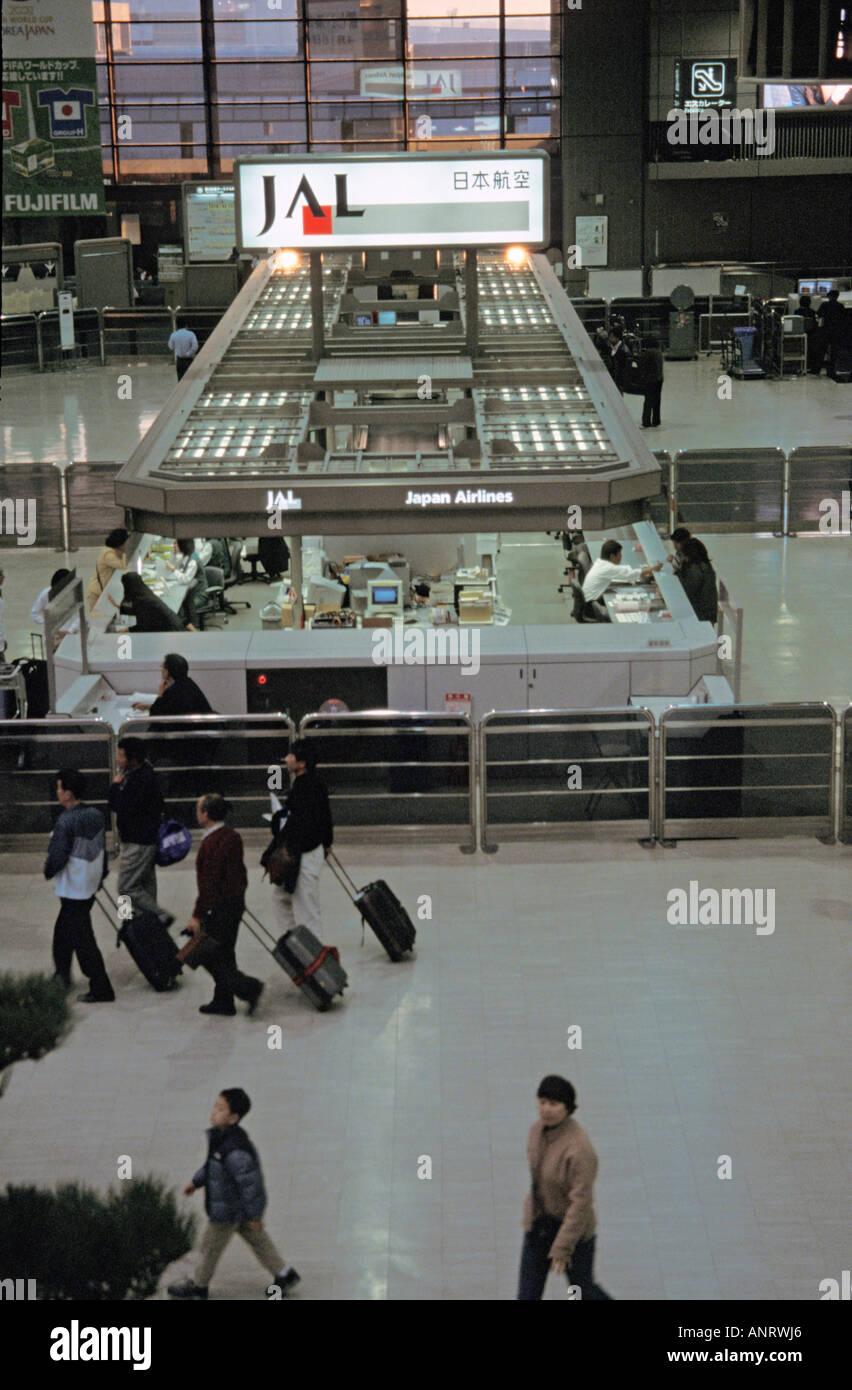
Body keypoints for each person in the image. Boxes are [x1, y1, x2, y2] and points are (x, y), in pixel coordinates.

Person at [168, 1088, 300, 1301]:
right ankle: (284, 1274)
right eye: (215, 1106)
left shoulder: (235, 1150)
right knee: (258, 1241)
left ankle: (198, 1287)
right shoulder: (221, 1139)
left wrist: (256, 1215)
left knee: (209, 1248)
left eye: (220, 1109)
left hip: (227, 1211)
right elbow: (212, 1167)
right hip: (235, 1207)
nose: (214, 1112)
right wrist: (196, 1182)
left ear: (233, 1118)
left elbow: (251, 1185)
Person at [517, 1075, 611, 1301]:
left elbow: (581, 1203)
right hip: (539, 1228)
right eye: (542, 1102)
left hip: (574, 1234)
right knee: (527, 1295)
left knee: (583, 1292)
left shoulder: (579, 1150)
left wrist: (562, 1247)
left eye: (554, 1104)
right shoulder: (536, 1131)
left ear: (568, 1108)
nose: (546, 1109)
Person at [185, 794, 262, 1017]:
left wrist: (197, 915)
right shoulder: (231, 836)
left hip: (220, 907)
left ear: (206, 814)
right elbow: (240, 874)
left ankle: (248, 987)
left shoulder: (212, 842)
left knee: (206, 955)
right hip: (234, 903)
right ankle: (223, 1000)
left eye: (198, 808)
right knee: (225, 953)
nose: (196, 812)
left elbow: (209, 883)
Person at [44, 768, 114, 1003]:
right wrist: (102, 874)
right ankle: (61, 975)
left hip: (74, 888)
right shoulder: (95, 814)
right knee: (63, 932)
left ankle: (101, 985)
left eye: (59, 787)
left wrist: (48, 870)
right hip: (89, 884)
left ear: (68, 794)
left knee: (83, 939)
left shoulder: (66, 820)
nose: (57, 792)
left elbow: (58, 856)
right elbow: (102, 849)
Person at [263, 740, 333, 942]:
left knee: (306, 908)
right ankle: (295, 944)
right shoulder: (315, 783)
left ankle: (311, 954)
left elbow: (295, 824)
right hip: (310, 850)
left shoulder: (303, 788)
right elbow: (326, 817)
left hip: (304, 854)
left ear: (301, 763)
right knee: (282, 898)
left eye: (291, 755)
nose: (286, 759)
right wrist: (327, 842)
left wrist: (278, 820)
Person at [108, 737, 173, 928]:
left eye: (121, 755)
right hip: (143, 839)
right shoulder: (144, 772)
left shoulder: (139, 780)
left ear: (133, 759)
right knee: (144, 883)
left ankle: (152, 916)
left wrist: (114, 786)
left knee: (125, 886)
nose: (118, 759)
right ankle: (143, 923)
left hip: (137, 841)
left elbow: (117, 805)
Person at [582, 539, 663, 612]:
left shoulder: (600, 563)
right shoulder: (607, 568)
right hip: (591, 605)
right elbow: (630, 574)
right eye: (620, 555)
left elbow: (622, 571)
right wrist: (653, 568)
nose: (621, 557)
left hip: (589, 600)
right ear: (612, 556)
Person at [131, 653, 213, 716]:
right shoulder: (189, 684)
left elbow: (155, 716)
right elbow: (170, 708)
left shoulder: (174, 690)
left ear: (167, 672)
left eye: (162, 667)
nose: (161, 669)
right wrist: (146, 707)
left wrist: (160, 694)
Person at [117, 572, 191, 634]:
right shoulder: (145, 594)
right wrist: (119, 606)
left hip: (171, 632)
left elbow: (144, 626)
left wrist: (128, 629)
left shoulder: (143, 601)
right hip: (174, 628)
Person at [166, 539, 209, 629]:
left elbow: (186, 579)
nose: (173, 545)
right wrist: (173, 556)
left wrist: (173, 569)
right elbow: (178, 570)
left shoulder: (193, 561)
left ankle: (190, 627)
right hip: (189, 591)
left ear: (182, 546)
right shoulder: (184, 557)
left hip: (198, 594)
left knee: (176, 605)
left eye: (175, 543)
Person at [676, 536, 719, 625]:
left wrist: (678, 574)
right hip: (707, 612)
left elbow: (689, 590)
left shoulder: (696, 568)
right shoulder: (705, 565)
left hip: (701, 615)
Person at [85, 527, 128, 612]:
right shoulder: (108, 554)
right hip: (96, 593)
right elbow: (122, 565)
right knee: (96, 620)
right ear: (120, 543)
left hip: (100, 591)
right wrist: (124, 552)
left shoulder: (110, 550)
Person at [638, 333, 664, 428]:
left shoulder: (648, 352)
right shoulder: (658, 351)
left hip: (650, 379)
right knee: (657, 400)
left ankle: (646, 421)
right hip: (659, 379)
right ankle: (656, 420)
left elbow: (642, 364)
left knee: (648, 400)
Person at [816, 289, 845, 374]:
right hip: (836, 331)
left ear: (829, 296)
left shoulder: (825, 305)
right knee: (834, 350)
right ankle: (832, 369)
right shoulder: (840, 306)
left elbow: (819, 314)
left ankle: (817, 368)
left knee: (822, 350)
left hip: (826, 330)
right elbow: (843, 318)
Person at [606, 325, 632, 394]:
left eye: (612, 337)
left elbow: (626, 369)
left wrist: (623, 384)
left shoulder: (624, 351)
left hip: (619, 382)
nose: (609, 339)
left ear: (617, 338)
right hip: (613, 380)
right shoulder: (611, 348)